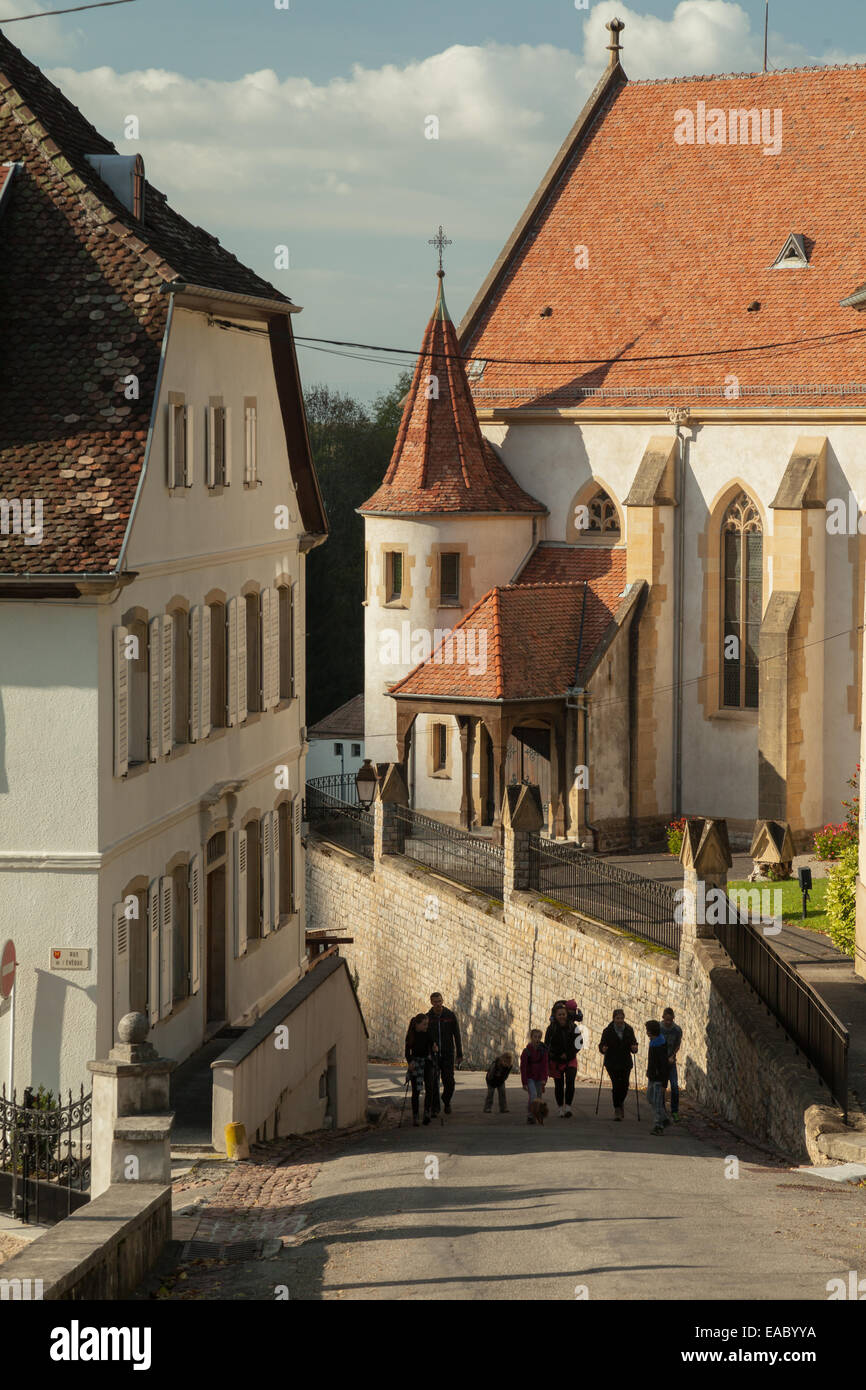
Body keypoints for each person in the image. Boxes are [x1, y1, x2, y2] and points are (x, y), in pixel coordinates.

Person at [598, 1009, 639, 1119]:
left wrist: (634, 1048)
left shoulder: (629, 1030)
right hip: (612, 1062)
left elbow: (634, 1043)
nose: (620, 1020)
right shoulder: (608, 1031)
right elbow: (601, 1045)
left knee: (625, 1085)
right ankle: (617, 1108)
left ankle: (620, 1102)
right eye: (618, 1018)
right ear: (614, 1019)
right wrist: (603, 1048)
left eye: (621, 1018)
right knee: (616, 1085)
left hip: (625, 1062)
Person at [427, 992, 463, 1115]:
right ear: (431, 1002)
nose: (437, 1004)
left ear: (442, 1001)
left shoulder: (450, 1015)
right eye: (435, 1002)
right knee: (433, 1082)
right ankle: (435, 1108)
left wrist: (459, 1054)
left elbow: (457, 1035)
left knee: (449, 1081)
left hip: (448, 1054)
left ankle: (446, 1101)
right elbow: (425, 1037)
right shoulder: (428, 1017)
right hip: (434, 1055)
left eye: (439, 1001)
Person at [545, 1000, 580, 1117]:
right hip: (556, 1061)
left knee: (570, 1082)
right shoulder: (551, 1029)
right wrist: (557, 1055)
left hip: (570, 1060)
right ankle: (560, 1108)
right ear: (555, 1015)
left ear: (567, 1015)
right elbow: (547, 1046)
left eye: (563, 1014)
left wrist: (568, 1054)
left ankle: (568, 1108)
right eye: (559, 1014)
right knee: (559, 1085)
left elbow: (579, 1043)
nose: (561, 1016)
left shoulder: (573, 1027)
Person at [404, 1013, 438, 1126]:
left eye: (427, 1024)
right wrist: (410, 1062)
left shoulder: (428, 1033)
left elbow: (433, 1046)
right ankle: (415, 1115)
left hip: (427, 1062)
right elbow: (407, 1052)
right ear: (417, 1024)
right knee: (416, 1091)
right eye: (424, 1024)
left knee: (430, 1088)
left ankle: (427, 1112)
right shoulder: (411, 1035)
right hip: (416, 1063)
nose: (426, 1026)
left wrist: (434, 1049)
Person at [645, 1019, 670, 1136]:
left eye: (647, 1030)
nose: (646, 1032)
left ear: (651, 1032)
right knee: (650, 1098)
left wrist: (664, 1083)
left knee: (657, 1102)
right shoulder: (654, 1042)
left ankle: (658, 1125)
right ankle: (664, 1119)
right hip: (652, 1076)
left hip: (659, 1079)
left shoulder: (659, 1045)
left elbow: (664, 1065)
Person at [520, 1029, 549, 1124]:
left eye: (539, 1037)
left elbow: (545, 1066)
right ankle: (530, 1115)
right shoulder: (526, 1052)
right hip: (530, 1077)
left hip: (539, 1078)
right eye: (535, 1037)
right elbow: (523, 1067)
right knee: (533, 1095)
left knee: (539, 1097)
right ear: (531, 1037)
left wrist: (544, 1079)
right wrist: (524, 1082)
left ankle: (538, 1114)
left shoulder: (543, 1051)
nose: (537, 1039)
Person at [660, 1007, 683, 1122]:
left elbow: (677, 1045)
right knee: (661, 1087)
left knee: (674, 1086)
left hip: (671, 1062)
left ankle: (674, 1111)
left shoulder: (677, 1030)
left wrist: (672, 1056)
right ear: (663, 1018)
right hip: (660, 1062)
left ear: (673, 1019)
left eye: (670, 1020)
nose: (668, 1022)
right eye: (666, 1020)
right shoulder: (659, 1028)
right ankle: (662, 1109)